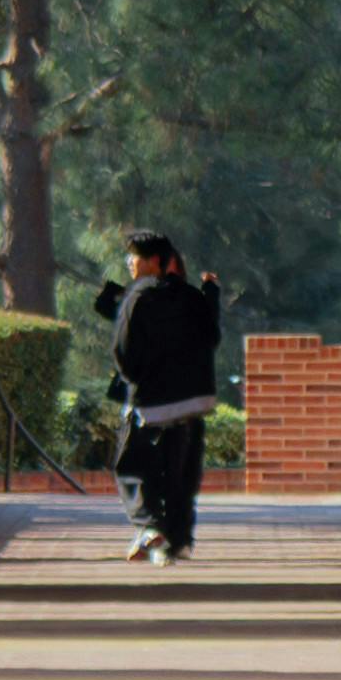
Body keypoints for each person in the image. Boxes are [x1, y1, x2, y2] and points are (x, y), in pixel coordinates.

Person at [105, 230, 224, 567]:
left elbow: (122, 350)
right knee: (180, 474)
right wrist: (212, 294)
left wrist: (135, 382)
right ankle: (177, 541)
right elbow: (211, 337)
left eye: (136, 256)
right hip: (192, 401)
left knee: (132, 467)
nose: (131, 262)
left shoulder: (137, 296)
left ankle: (148, 527)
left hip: (151, 401)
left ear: (156, 261)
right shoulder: (191, 296)